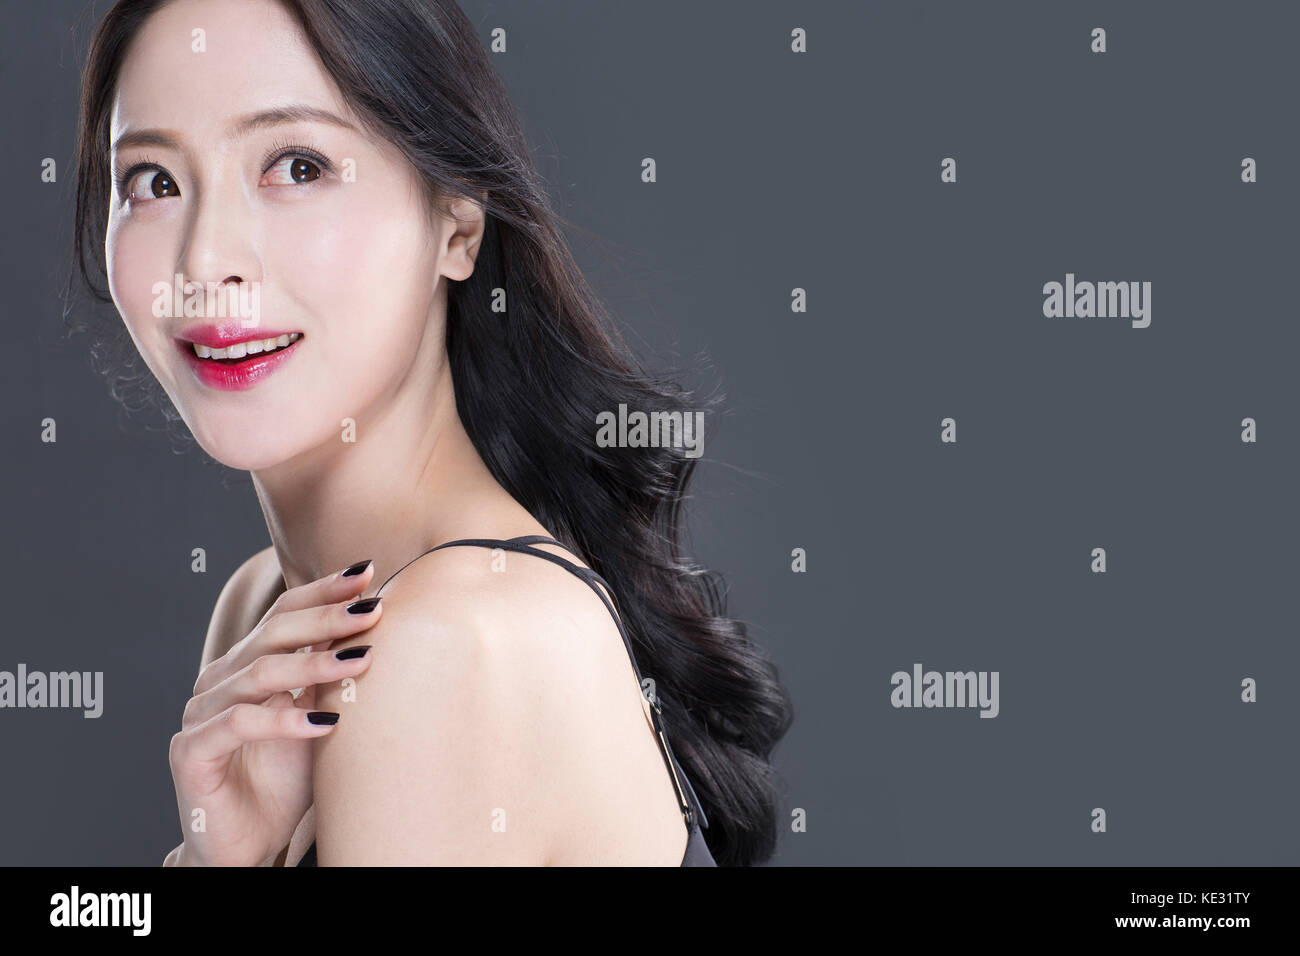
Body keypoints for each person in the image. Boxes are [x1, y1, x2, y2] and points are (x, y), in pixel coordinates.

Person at [68, 0, 792, 866]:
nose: (203, 263)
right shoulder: (268, 605)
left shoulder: (446, 647)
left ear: (456, 226)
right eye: (153, 181)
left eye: (296, 166)